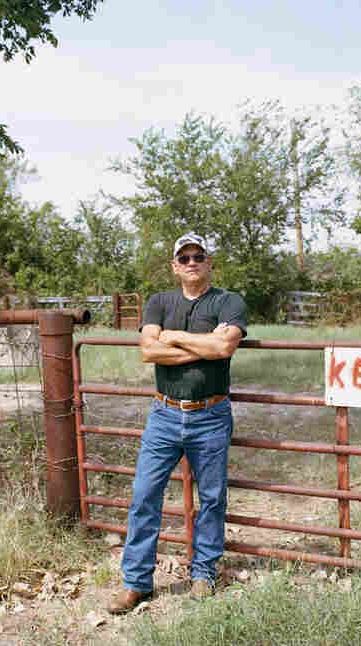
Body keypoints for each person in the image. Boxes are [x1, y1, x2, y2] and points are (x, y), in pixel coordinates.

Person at [107, 232, 247, 614]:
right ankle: (136, 582)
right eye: (183, 258)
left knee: (212, 498)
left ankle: (203, 574)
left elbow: (224, 347)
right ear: (174, 265)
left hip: (212, 415)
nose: (191, 263)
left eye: (198, 256)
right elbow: (148, 351)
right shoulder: (159, 302)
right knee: (144, 496)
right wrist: (201, 347)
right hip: (164, 414)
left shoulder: (228, 301)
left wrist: (175, 338)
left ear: (209, 262)